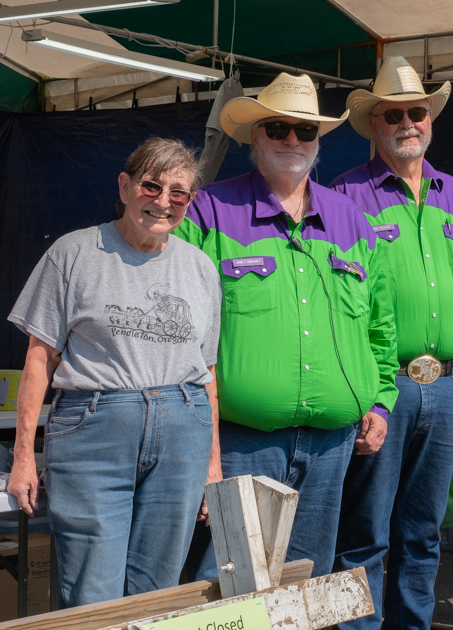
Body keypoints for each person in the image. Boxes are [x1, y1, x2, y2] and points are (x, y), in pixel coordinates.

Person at [179, 73, 398, 581]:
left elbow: (380, 328)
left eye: (305, 131)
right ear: (255, 136)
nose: (292, 141)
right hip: (241, 443)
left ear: (319, 141)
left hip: (331, 445)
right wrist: (203, 450)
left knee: (304, 582)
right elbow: (179, 335)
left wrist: (382, 400)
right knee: (228, 586)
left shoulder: (353, 221)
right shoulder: (208, 213)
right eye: (278, 129)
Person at [6, 137, 221, 607]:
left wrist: (212, 464)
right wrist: (24, 455)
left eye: (178, 193)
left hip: (184, 431)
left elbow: (206, 374)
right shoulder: (74, 253)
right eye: (151, 186)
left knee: (157, 593)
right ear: (124, 187)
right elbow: (39, 359)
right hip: (94, 430)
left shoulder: (201, 268)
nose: (163, 202)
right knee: (92, 594)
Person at [331, 56, 453, 630]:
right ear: (373, 125)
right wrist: (365, 392)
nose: (408, 123)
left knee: (425, 532)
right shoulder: (343, 196)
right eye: (393, 115)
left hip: (452, 386)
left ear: (430, 121)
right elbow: (337, 303)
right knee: (365, 534)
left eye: (417, 112)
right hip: (386, 386)